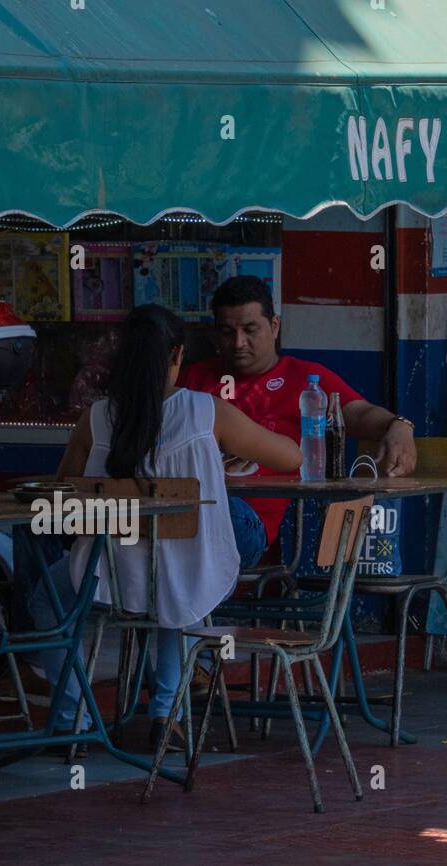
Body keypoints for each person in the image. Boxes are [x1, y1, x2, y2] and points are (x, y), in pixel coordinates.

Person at [40, 304, 301, 750]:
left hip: (107, 578)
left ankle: (71, 718)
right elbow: (291, 457)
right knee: (179, 593)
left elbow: (65, 486)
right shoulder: (207, 413)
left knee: (44, 599)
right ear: (177, 356)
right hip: (185, 576)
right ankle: (167, 714)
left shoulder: (96, 418)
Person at [179, 275, 417, 567]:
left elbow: (360, 414)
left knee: (212, 513)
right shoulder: (193, 379)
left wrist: (400, 426)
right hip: (188, 518)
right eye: (227, 332)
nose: (239, 343)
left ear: (275, 326)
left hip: (248, 527)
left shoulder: (305, 381)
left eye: (250, 330)